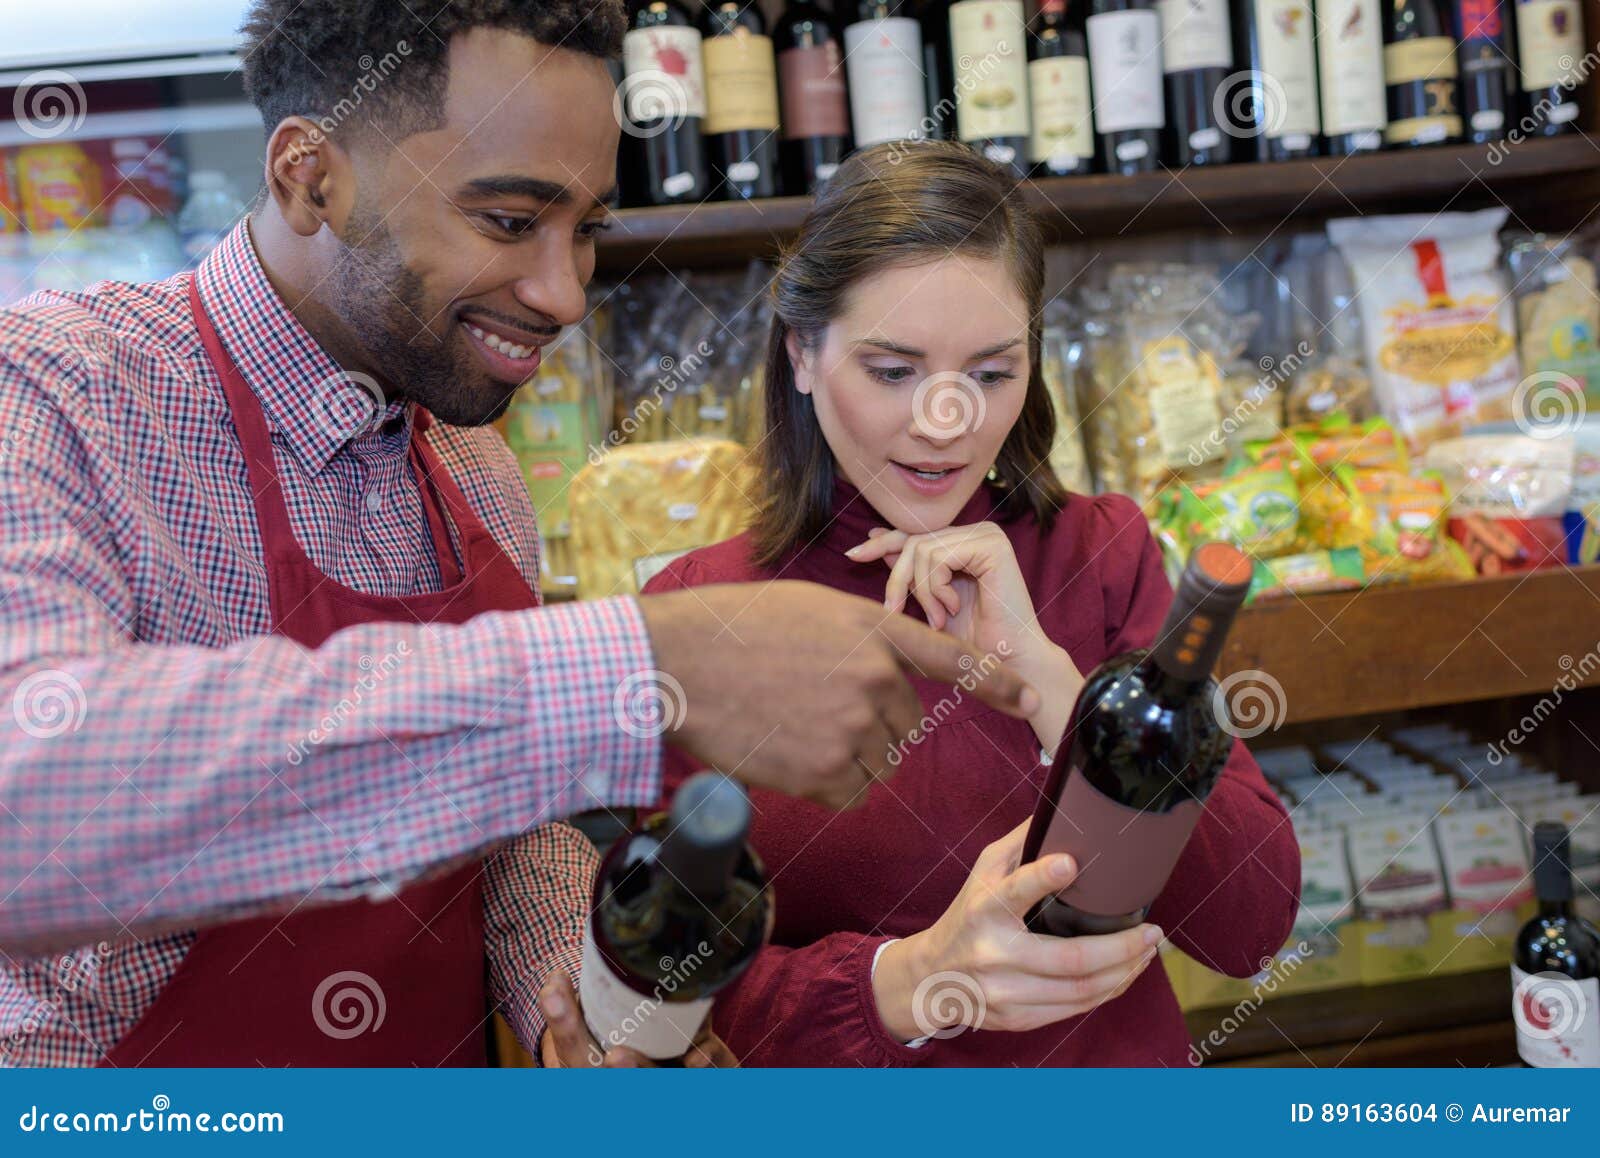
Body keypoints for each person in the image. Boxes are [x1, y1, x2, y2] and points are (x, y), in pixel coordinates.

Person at [0, 5, 1039, 1067]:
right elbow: (27, 799)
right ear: (310, 178)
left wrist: (571, 983)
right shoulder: (58, 388)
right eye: (508, 222)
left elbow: (497, 829)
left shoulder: (474, 469)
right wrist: (643, 665)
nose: (564, 291)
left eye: (584, 228)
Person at [643, 140, 1302, 1067]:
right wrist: (905, 984)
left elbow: (1253, 926)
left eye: (990, 375)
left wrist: (1056, 691)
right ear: (800, 353)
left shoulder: (1102, 553)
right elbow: (657, 1005)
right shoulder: (699, 607)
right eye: (892, 370)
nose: (944, 421)